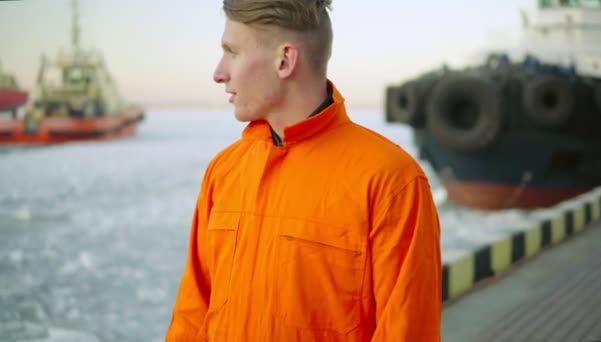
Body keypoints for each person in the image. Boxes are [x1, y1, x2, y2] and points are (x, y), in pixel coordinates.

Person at [165, 0, 442, 341]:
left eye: (232, 52)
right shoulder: (225, 172)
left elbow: (406, 332)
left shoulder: (390, 180)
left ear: (284, 60)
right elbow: (192, 316)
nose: (219, 72)